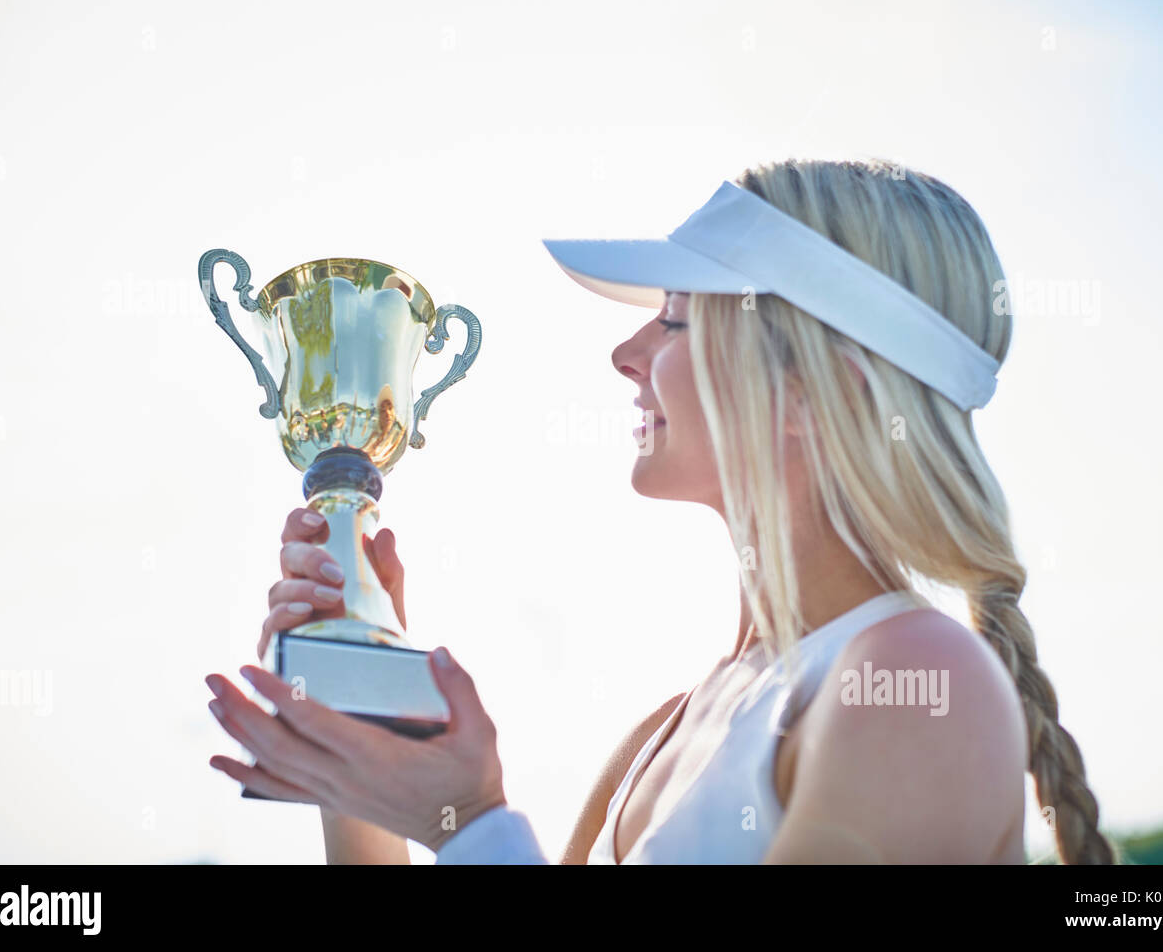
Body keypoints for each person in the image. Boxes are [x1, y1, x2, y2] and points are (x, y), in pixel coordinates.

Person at [204, 157, 1115, 864]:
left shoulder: (920, 684)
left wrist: (476, 822)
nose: (627, 353)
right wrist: (366, 749)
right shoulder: (667, 729)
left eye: (677, 318)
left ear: (811, 391)